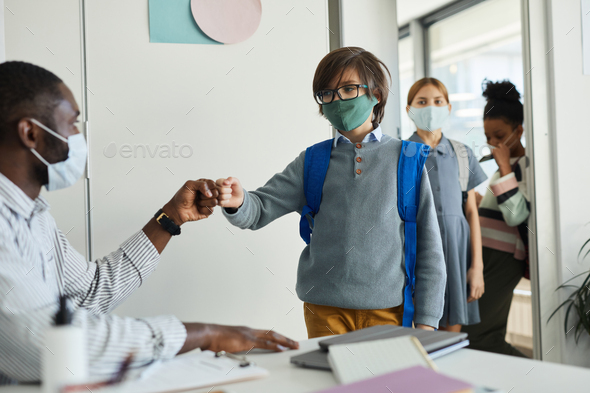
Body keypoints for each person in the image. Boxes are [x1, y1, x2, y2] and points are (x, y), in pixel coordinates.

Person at [0, 61, 298, 385]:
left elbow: (92, 293)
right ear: (30, 133)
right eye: (72, 124)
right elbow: (43, 345)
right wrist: (203, 334)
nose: (78, 137)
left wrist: (171, 216)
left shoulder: (33, 215)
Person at [211, 47, 446, 338]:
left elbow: (430, 250)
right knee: (331, 384)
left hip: (390, 310)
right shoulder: (312, 161)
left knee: (382, 384)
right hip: (323, 309)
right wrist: (238, 202)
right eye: (328, 94)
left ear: (376, 94)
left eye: (348, 89)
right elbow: (259, 208)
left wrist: (427, 320)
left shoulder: (407, 160)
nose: (337, 101)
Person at [406, 77, 487, 333]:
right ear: (410, 110)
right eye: (422, 101)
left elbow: (472, 211)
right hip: (415, 255)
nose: (431, 107)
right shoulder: (401, 154)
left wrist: (477, 267)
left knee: (452, 336)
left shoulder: (463, 154)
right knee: (419, 333)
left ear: (448, 107)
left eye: (438, 101)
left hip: (457, 254)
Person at [461, 79, 528, 357]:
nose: (493, 143)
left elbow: (516, 215)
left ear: (518, 130)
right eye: (488, 137)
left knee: (480, 334)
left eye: (499, 136)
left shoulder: (524, 167)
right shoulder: (505, 169)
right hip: (484, 255)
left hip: (503, 259)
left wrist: (503, 167)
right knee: (478, 330)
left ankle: (539, 377)